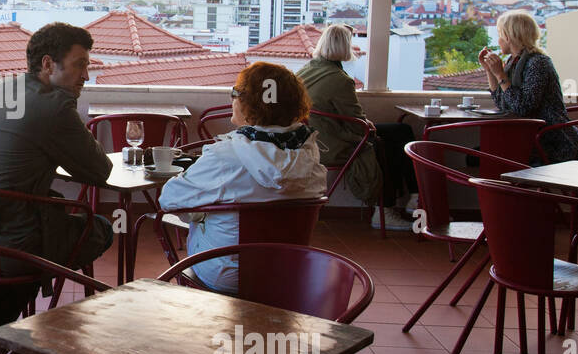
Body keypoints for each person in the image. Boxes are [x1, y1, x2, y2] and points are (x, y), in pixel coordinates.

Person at [0, 22, 115, 325]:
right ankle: (23, 320)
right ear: (47, 64)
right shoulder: (53, 106)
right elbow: (100, 171)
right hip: (14, 246)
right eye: (79, 65)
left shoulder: (4, 88)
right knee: (102, 228)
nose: (86, 76)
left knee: (53, 212)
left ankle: (2, 321)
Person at [158, 62, 327, 293]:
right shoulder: (309, 152)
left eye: (235, 93)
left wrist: (201, 210)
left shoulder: (224, 155)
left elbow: (169, 199)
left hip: (227, 274)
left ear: (248, 104)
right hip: (287, 271)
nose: (232, 99)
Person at [297, 24, 417, 231]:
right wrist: (367, 125)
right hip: (331, 144)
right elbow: (355, 120)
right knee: (387, 143)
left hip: (312, 139)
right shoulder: (340, 80)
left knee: (399, 132)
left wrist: (365, 125)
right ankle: (395, 206)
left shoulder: (306, 70)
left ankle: (409, 198)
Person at [478, 9, 578, 164]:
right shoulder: (514, 62)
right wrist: (490, 71)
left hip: (551, 140)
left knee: (486, 154)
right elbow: (502, 103)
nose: (499, 41)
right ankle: (508, 187)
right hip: (531, 135)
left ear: (510, 37)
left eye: (500, 35)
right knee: (483, 152)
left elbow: (523, 107)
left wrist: (501, 75)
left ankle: (509, 188)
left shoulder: (538, 63)